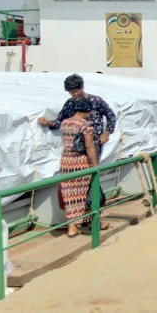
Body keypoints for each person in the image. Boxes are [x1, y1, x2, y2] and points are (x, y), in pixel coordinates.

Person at [38, 74, 116, 159]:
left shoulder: (96, 101)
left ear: (82, 87)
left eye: (75, 91)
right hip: (76, 145)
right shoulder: (70, 103)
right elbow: (59, 122)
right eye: (71, 92)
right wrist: (48, 123)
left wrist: (106, 133)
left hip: (94, 143)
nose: (74, 94)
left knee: (93, 166)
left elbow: (111, 116)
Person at [58, 99, 99, 237]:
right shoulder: (86, 125)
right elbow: (89, 146)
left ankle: (76, 223)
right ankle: (73, 226)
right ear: (87, 111)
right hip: (80, 160)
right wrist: (95, 165)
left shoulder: (65, 123)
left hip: (66, 160)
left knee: (69, 194)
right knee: (81, 194)